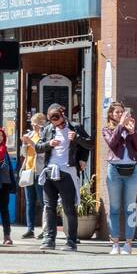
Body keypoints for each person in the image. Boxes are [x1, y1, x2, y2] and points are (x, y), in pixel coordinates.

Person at [39, 103, 92, 251]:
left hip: (67, 172)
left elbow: (89, 144)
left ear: (63, 115)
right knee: (49, 207)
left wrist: (78, 138)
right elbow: (38, 147)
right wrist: (49, 143)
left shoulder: (75, 127)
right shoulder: (48, 129)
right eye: (51, 120)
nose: (55, 123)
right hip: (50, 171)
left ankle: (71, 241)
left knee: (68, 208)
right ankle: (49, 239)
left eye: (57, 119)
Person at [103, 102, 137, 256]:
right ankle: (115, 244)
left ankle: (129, 243)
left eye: (122, 112)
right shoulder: (107, 129)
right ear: (111, 114)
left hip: (132, 170)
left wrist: (132, 133)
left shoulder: (129, 128)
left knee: (131, 207)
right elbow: (112, 143)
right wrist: (120, 125)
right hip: (114, 170)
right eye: (117, 112)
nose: (120, 114)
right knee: (114, 208)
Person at [18, 112, 47, 239]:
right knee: (29, 201)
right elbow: (23, 154)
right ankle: (30, 229)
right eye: (33, 125)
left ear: (42, 125)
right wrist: (24, 144)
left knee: (43, 201)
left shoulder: (45, 136)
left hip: (39, 171)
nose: (34, 128)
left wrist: (32, 143)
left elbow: (42, 153)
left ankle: (45, 229)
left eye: (36, 126)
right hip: (28, 170)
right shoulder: (30, 135)